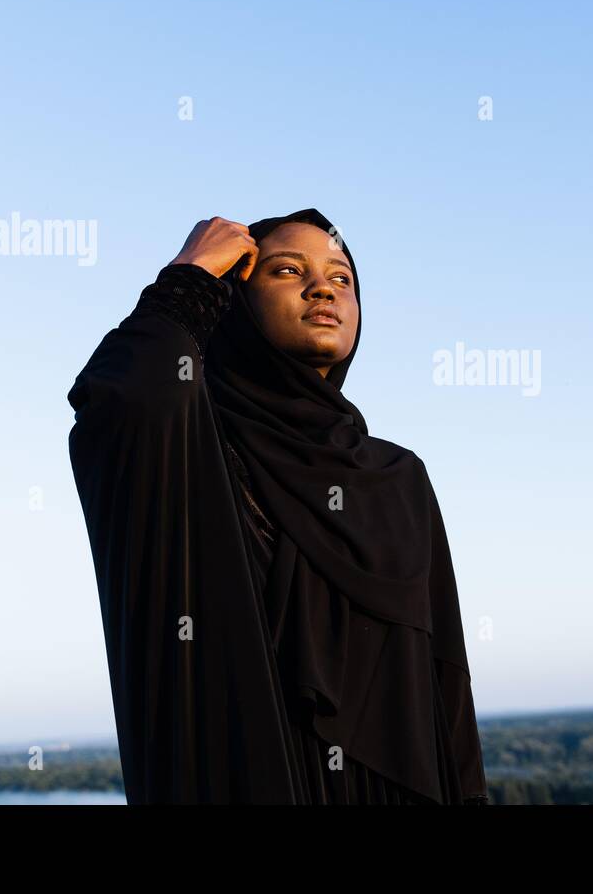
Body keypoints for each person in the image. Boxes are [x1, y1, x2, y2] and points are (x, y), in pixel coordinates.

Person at [66, 209, 489, 804]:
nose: (323, 288)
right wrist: (189, 276)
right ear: (232, 302)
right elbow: (121, 402)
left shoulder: (399, 479)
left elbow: (446, 682)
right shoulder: (197, 452)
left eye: (342, 279)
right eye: (288, 270)